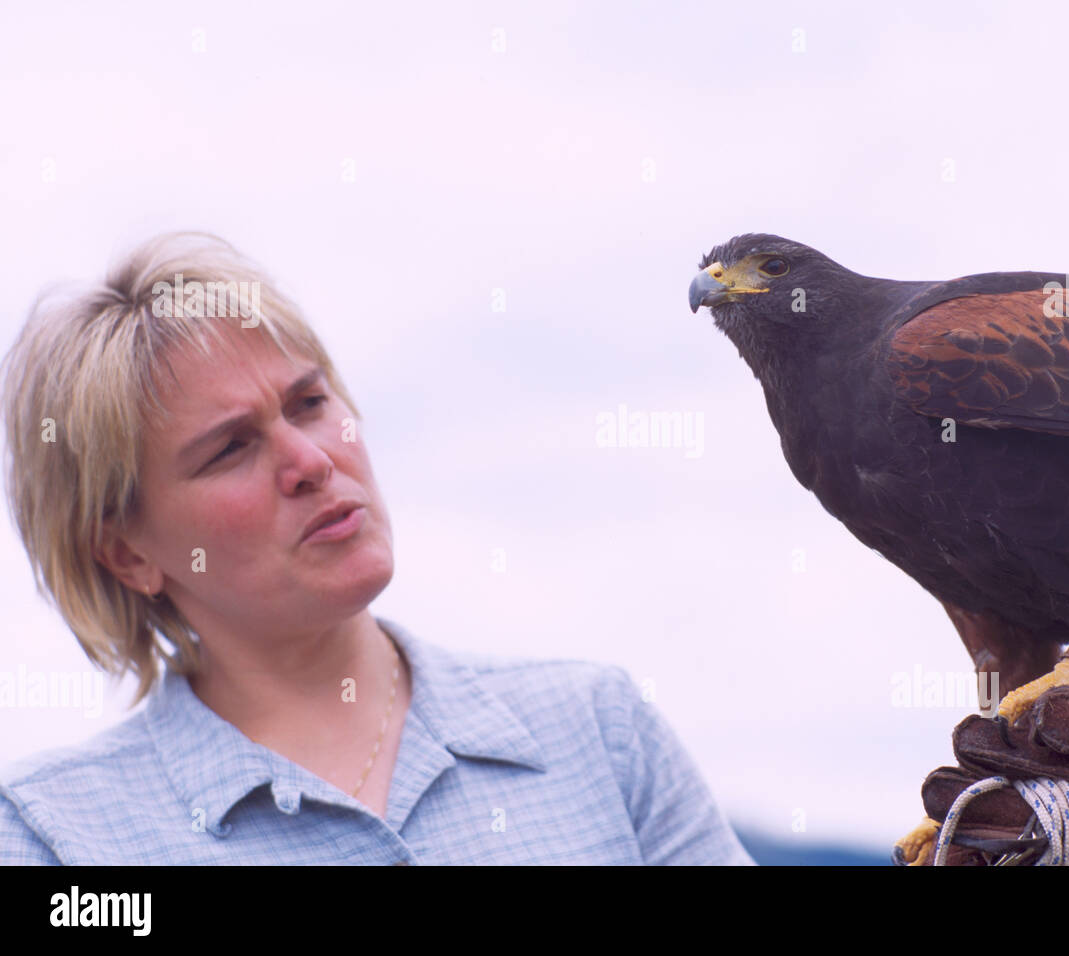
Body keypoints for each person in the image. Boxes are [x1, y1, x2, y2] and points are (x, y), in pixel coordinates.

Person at [0, 232, 754, 865]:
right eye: (230, 449)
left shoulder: (598, 731)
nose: (313, 461)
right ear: (126, 553)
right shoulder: (55, 836)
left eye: (310, 404)